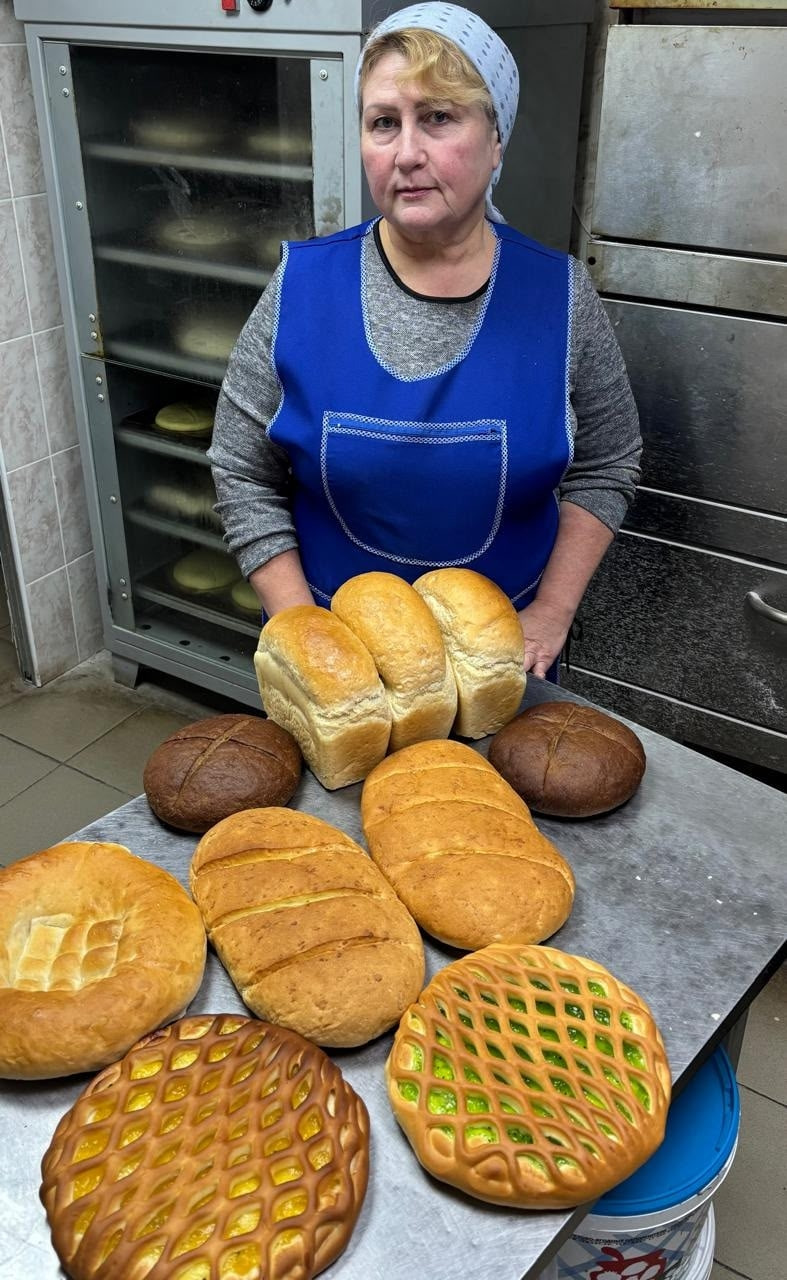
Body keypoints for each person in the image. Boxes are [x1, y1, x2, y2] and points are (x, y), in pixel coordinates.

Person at [209, 2, 641, 681]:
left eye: (438, 117)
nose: (406, 152)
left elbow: (608, 463)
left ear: (496, 139)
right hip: (337, 660)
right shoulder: (302, 287)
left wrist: (552, 612)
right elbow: (240, 471)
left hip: (505, 662)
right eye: (383, 122)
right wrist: (305, 632)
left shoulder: (557, 297)